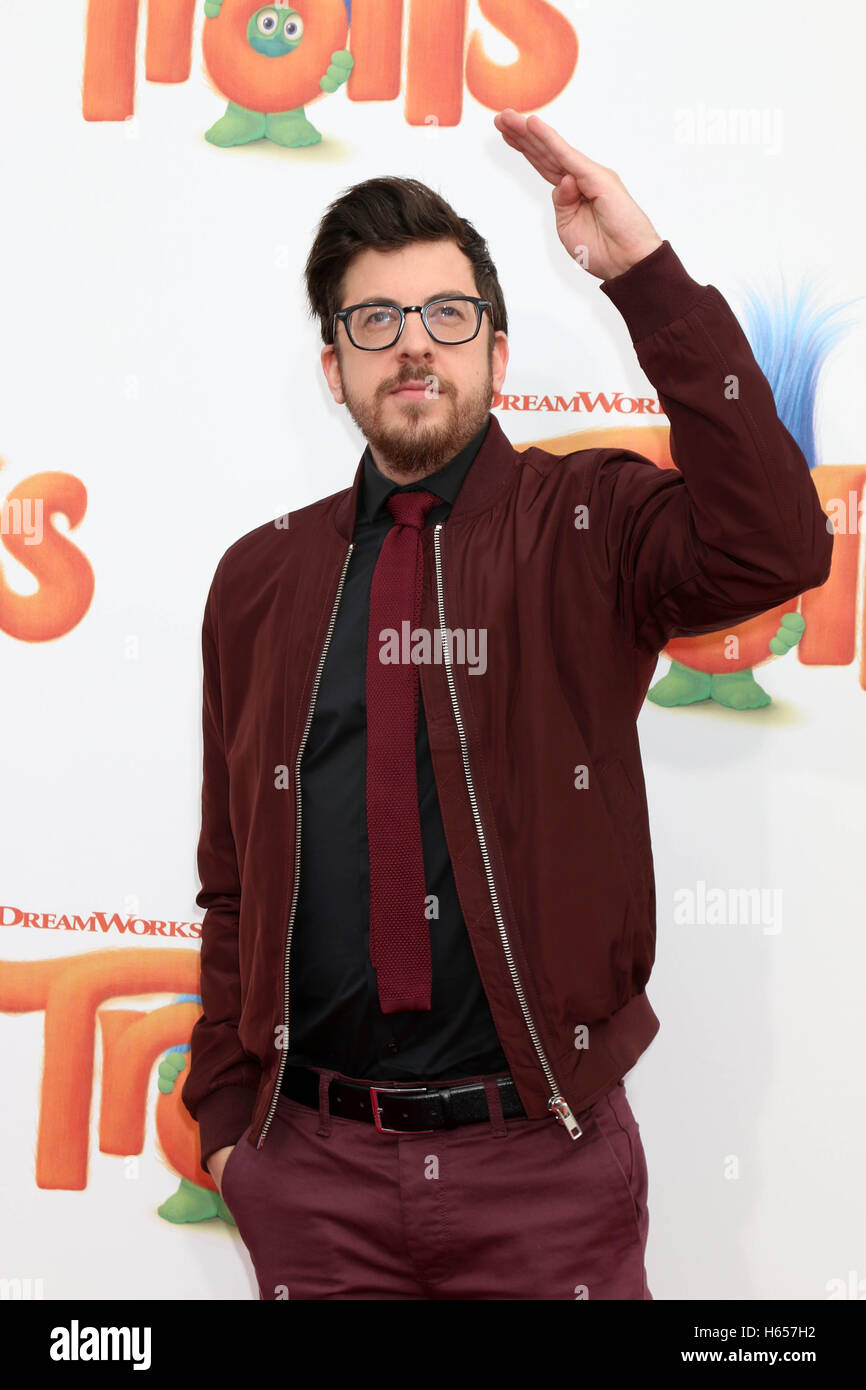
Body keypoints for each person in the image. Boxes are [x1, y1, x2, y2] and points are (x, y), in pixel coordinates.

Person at [181, 109, 833, 1300]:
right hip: (309, 1172)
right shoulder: (258, 578)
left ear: (496, 349)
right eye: (374, 322)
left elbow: (778, 543)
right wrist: (228, 1113)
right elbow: (232, 874)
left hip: (542, 1167)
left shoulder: (587, 523)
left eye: (445, 315)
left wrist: (641, 271)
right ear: (334, 367)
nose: (411, 346)